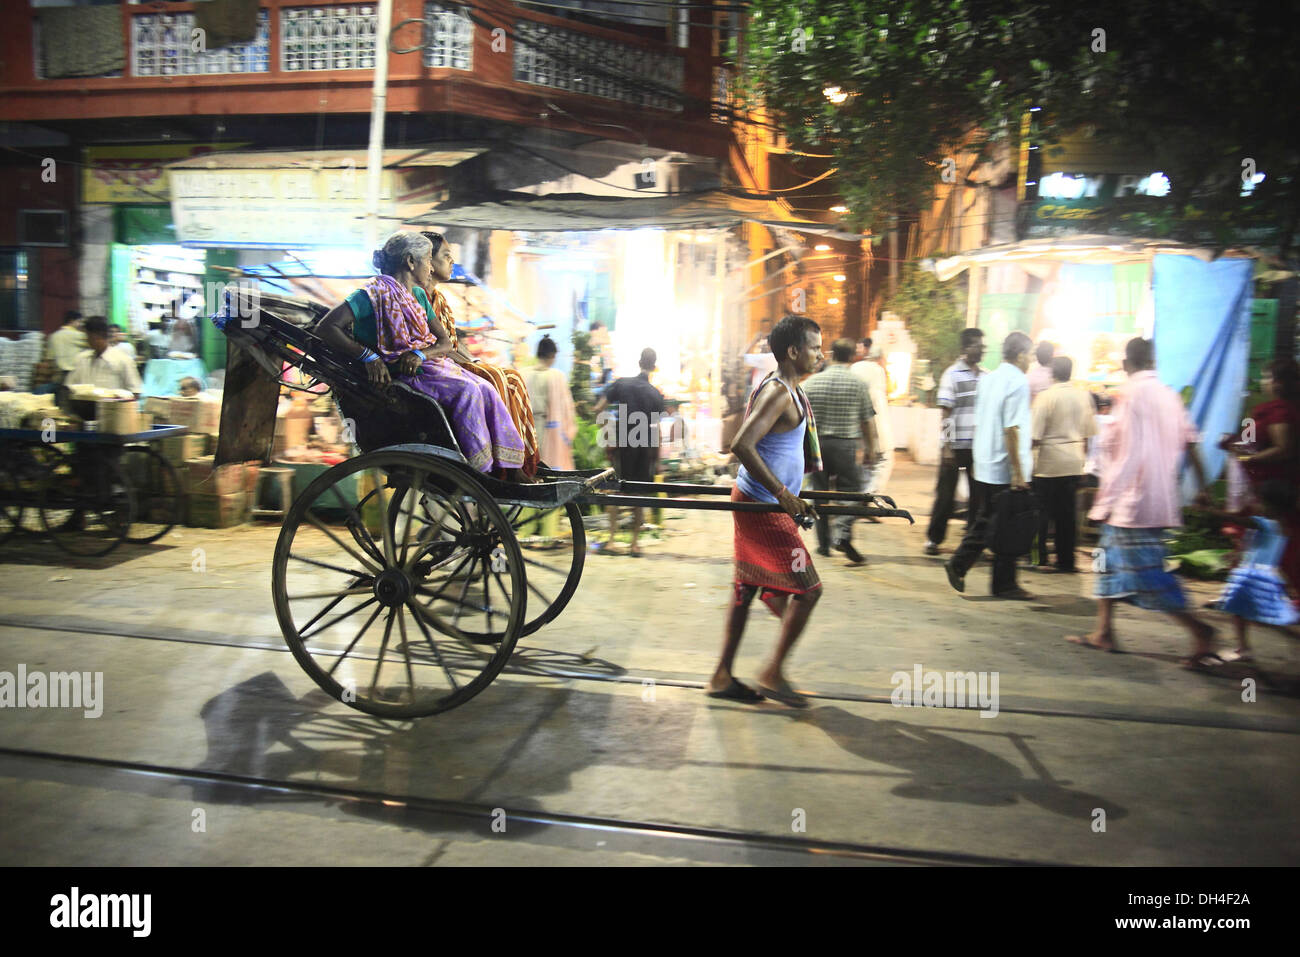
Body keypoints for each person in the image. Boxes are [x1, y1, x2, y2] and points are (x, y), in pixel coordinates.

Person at [315, 231, 527, 476]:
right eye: (427, 259)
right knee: (468, 392)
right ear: (410, 261)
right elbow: (326, 328)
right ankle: (480, 471)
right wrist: (368, 356)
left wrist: (421, 354)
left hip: (429, 367)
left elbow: (446, 343)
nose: (430, 266)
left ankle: (510, 467)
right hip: (401, 377)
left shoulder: (417, 296)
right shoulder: (368, 296)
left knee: (487, 388)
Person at [1066, 337, 1219, 667]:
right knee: (1105, 562)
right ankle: (1103, 631)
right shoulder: (1169, 395)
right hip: (1156, 497)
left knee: (1149, 575)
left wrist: (1105, 500)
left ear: (1126, 364)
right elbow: (1191, 442)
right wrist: (1203, 485)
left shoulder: (1130, 396)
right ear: (1153, 361)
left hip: (1132, 502)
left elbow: (1127, 453)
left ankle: (1200, 631)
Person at [705, 315, 823, 708]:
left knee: (745, 588)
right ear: (794, 351)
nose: (820, 354)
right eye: (815, 347)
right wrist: (784, 496)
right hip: (762, 505)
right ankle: (772, 671)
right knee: (808, 588)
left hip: (759, 501)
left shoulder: (788, 389)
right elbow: (742, 444)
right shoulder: (778, 392)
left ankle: (722, 675)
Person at [415, 232, 539, 475]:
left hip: (450, 362)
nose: (452, 261)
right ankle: (502, 468)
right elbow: (440, 346)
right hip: (435, 367)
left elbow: (452, 341)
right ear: (428, 262)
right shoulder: (412, 297)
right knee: (497, 381)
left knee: (512, 378)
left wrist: (473, 360)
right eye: (446, 256)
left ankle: (522, 459)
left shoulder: (438, 298)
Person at [943, 330, 1034, 599]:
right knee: (1008, 524)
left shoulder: (989, 378)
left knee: (989, 519)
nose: (1031, 360)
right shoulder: (1017, 382)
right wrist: (1018, 472)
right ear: (1020, 355)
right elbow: (1012, 429)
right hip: (1005, 465)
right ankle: (1000, 582)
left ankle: (962, 565)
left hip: (985, 461)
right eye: (1029, 354)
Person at [1218, 357, 1300, 600]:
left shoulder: (1280, 411)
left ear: (1277, 383)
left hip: (1276, 490)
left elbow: (1284, 448)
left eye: (1266, 377)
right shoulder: (1274, 409)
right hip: (1268, 488)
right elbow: (1252, 442)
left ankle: (1250, 598)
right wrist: (1237, 446)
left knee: (1274, 543)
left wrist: (1248, 459)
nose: (1262, 382)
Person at [803, 337, 878, 564]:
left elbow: (801, 418)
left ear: (831, 354)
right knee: (854, 491)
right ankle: (842, 534)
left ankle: (823, 545)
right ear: (853, 356)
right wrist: (871, 448)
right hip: (846, 444)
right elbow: (867, 421)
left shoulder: (812, 383)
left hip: (817, 445)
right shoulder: (858, 383)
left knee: (820, 494)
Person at [1208, 480, 1300, 661]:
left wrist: (1209, 510)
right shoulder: (1285, 528)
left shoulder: (1262, 523)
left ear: (1271, 505)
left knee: (1239, 611)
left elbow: (1237, 519)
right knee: (1256, 613)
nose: (1256, 504)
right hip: (1268, 577)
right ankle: (1244, 647)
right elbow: (1260, 548)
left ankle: (1244, 648)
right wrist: (1236, 554)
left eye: (1260, 501)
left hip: (1251, 577)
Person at [592, 348, 665, 557]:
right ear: (653, 366)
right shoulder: (656, 394)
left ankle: (613, 540)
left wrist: (607, 431)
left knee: (615, 489)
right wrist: (657, 459)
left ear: (639, 361)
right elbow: (656, 429)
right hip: (646, 447)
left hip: (623, 444)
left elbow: (599, 408)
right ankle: (634, 544)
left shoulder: (622, 384)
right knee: (639, 493)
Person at [1030, 356, 1096, 572]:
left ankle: (1038, 558)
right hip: (1073, 462)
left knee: (1041, 514)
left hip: (1048, 464)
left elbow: (1035, 436)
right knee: (1067, 516)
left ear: (1052, 373)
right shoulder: (1083, 397)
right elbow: (1088, 435)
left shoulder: (1045, 397)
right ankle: (1066, 561)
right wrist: (1083, 465)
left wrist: (1027, 463)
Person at [925, 328, 986, 555]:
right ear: (965, 348)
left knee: (977, 497)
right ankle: (934, 539)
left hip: (977, 449)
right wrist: (948, 447)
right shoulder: (951, 375)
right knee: (946, 495)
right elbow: (946, 413)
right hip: (955, 447)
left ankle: (972, 542)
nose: (981, 350)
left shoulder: (986, 376)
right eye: (977, 346)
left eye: (982, 346)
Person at [524, 336, 577, 471]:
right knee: (547, 466)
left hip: (527, 428)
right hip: (550, 429)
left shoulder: (523, 373)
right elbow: (566, 408)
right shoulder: (557, 376)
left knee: (531, 466)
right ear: (553, 355)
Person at [851, 338, 893, 497]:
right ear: (881, 358)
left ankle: (863, 495)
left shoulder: (855, 367)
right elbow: (879, 397)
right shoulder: (878, 371)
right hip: (875, 422)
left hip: (856, 422)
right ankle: (870, 497)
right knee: (884, 460)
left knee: (866, 463)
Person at [66, 315, 143, 396]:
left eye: (88, 337)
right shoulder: (81, 359)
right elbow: (70, 387)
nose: (86, 340)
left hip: (113, 407)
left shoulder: (123, 360)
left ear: (99, 335)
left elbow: (135, 391)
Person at [48, 310, 86, 378]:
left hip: (58, 375)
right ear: (72, 321)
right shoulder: (78, 335)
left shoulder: (53, 336)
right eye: (79, 321)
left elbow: (50, 358)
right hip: (74, 374)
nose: (81, 325)